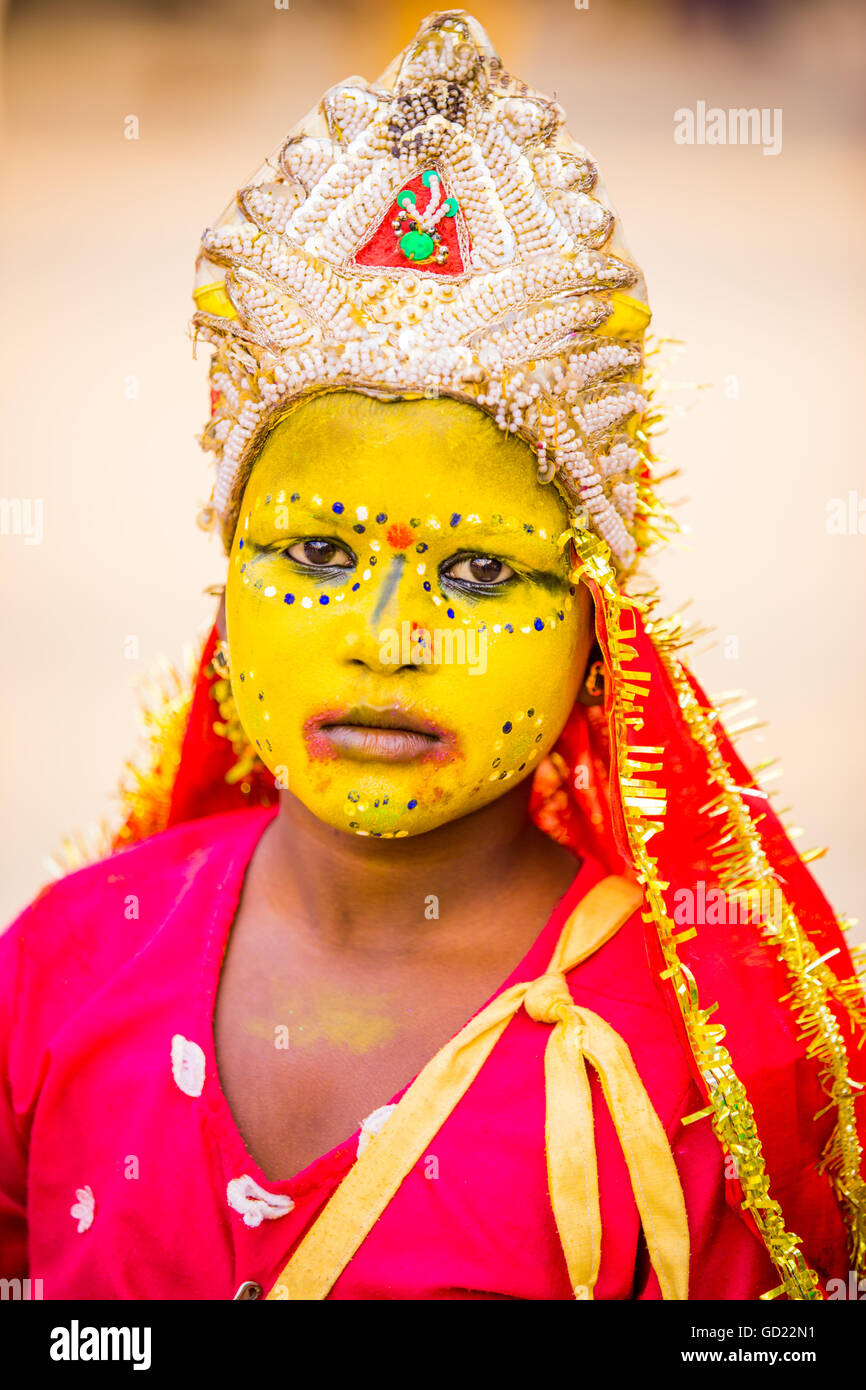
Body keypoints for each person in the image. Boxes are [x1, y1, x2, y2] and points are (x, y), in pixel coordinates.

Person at [1, 10, 863, 1302]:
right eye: (316, 556)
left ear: (597, 625)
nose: (388, 637)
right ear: (225, 586)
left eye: (474, 570)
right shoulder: (65, 967)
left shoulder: (689, 1070)